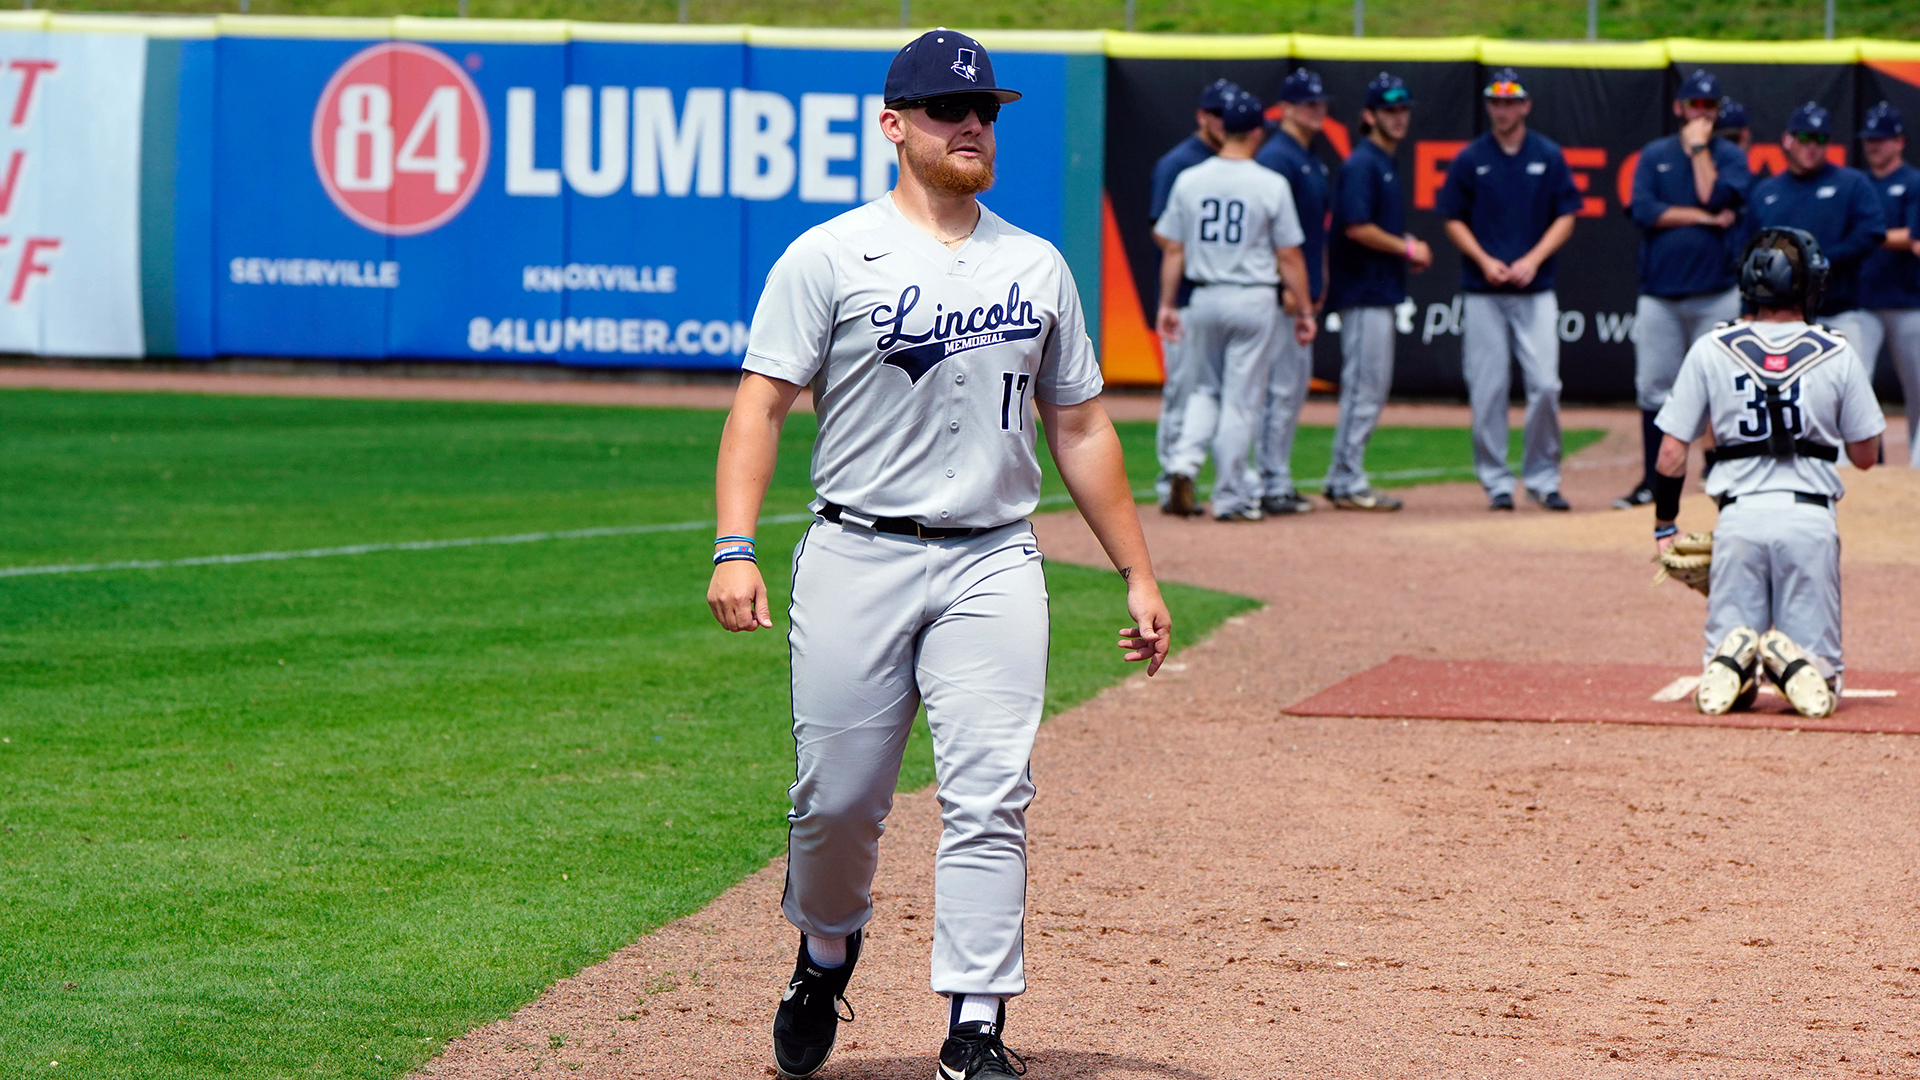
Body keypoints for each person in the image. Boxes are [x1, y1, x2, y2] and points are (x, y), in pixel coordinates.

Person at [706, 29, 1173, 1080]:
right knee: (836, 799)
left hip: (993, 562)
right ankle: (825, 951)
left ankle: (975, 1024)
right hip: (856, 553)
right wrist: (736, 546)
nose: (972, 125)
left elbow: (1084, 429)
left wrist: (1137, 571)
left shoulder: (1035, 263)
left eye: (986, 112)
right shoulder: (828, 256)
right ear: (893, 126)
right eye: (946, 109)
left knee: (992, 790)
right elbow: (761, 405)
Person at [1652, 227, 1884, 719]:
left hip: (1738, 521)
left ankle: (1734, 661)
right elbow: (1866, 454)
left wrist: (1665, 526)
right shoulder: (1837, 350)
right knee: (1822, 686)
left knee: (1731, 686)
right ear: (1807, 287)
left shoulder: (1713, 347)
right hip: (1808, 520)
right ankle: (1799, 666)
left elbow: (1670, 454)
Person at [1155, 90, 1316, 521]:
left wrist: (1168, 304)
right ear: (1258, 132)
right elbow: (1290, 256)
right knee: (1241, 401)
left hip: (1204, 295)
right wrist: (1304, 310)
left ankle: (1183, 465)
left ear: (1222, 127)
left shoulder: (1191, 178)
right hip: (1253, 297)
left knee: (1205, 390)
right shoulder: (1269, 182)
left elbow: (1173, 249)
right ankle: (1230, 496)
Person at [1438, 67, 1583, 512]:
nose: (1503, 109)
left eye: (1510, 101)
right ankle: (1497, 481)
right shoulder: (1471, 157)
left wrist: (1532, 259)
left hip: (1535, 287)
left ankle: (1542, 476)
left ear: (1525, 105)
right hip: (1484, 289)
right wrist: (1484, 260)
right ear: (1488, 106)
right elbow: (1451, 216)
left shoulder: (1547, 154)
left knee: (1544, 384)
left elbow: (1567, 214)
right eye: (1496, 102)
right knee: (1488, 388)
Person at [1617, 70, 1753, 509]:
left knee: (1724, 386)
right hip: (1660, 292)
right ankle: (1653, 481)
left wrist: (1699, 151)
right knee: (1654, 388)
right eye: (1695, 105)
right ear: (1679, 108)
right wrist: (1700, 218)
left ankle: (1724, 475)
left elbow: (1713, 196)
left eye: (1709, 107)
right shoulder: (1654, 154)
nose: (1702, 113)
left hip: (1715, 291)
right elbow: (1643, 210)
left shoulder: (1728, 156)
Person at [1320, 71, 1431, 512]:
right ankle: (1346, 479)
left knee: (1370, 387)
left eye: (1403, 109)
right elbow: (1355, 226)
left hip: (1377, 289)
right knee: (1364, 388)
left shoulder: (1383, 161)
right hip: (1362, 291)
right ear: (1369, 115)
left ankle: (1345, 475)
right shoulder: (1364, 162)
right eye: (1389, 110)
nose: (1399, 117)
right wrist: (1406, 246)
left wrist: (1404, 249)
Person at [1151, 78, 1238, 516]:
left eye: (1230, 115)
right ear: (1203, 116)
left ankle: (1196, 476)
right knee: (1182, 391)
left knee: (1213, 392)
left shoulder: (1227, 161)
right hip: (1185, 297)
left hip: (1209, 299)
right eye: (1217, 114)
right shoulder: (1179, 164)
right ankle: (1171, 480)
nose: (1224, 122)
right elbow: (1163, 233)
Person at [1251, 67, 1333, 516]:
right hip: (1281, 294)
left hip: (1300, 292)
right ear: (1285, 109)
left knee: (1288, 389)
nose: (1316, 110)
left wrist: (1313, 287)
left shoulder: (1307, 155)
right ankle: (1270, 481)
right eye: (1307, 103)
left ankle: (1275, 477)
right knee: (1279, 390)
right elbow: (1272, 236)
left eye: (1320, 103)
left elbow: (1311, 234)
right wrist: (1290, 288)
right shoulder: (1279, 156)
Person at [1748, 102, 1884, 359]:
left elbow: (1871, 233)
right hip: (1777, 315)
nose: (1812, 145)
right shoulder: (1766, 191)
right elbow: (1748, 247)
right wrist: (1748, 307)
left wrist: (1820, 261)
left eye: (1820, 138)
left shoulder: (1851, 183)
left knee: (1848, 389)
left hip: (1839, 309)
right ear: (1787, 140)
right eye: (1804, 137)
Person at [1852, 101, 1920, 466]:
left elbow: (1913, 237)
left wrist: (1869, 236)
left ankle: (1917, 470)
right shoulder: (1858, 182)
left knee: (1918, 391)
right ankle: (1865, 466)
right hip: (1864, 300)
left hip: (1910, 300)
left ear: (1899, 142)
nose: (1874, 145)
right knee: (1856, 384)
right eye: (1869, 140)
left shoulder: (1912, 182)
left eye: (1882, 139)